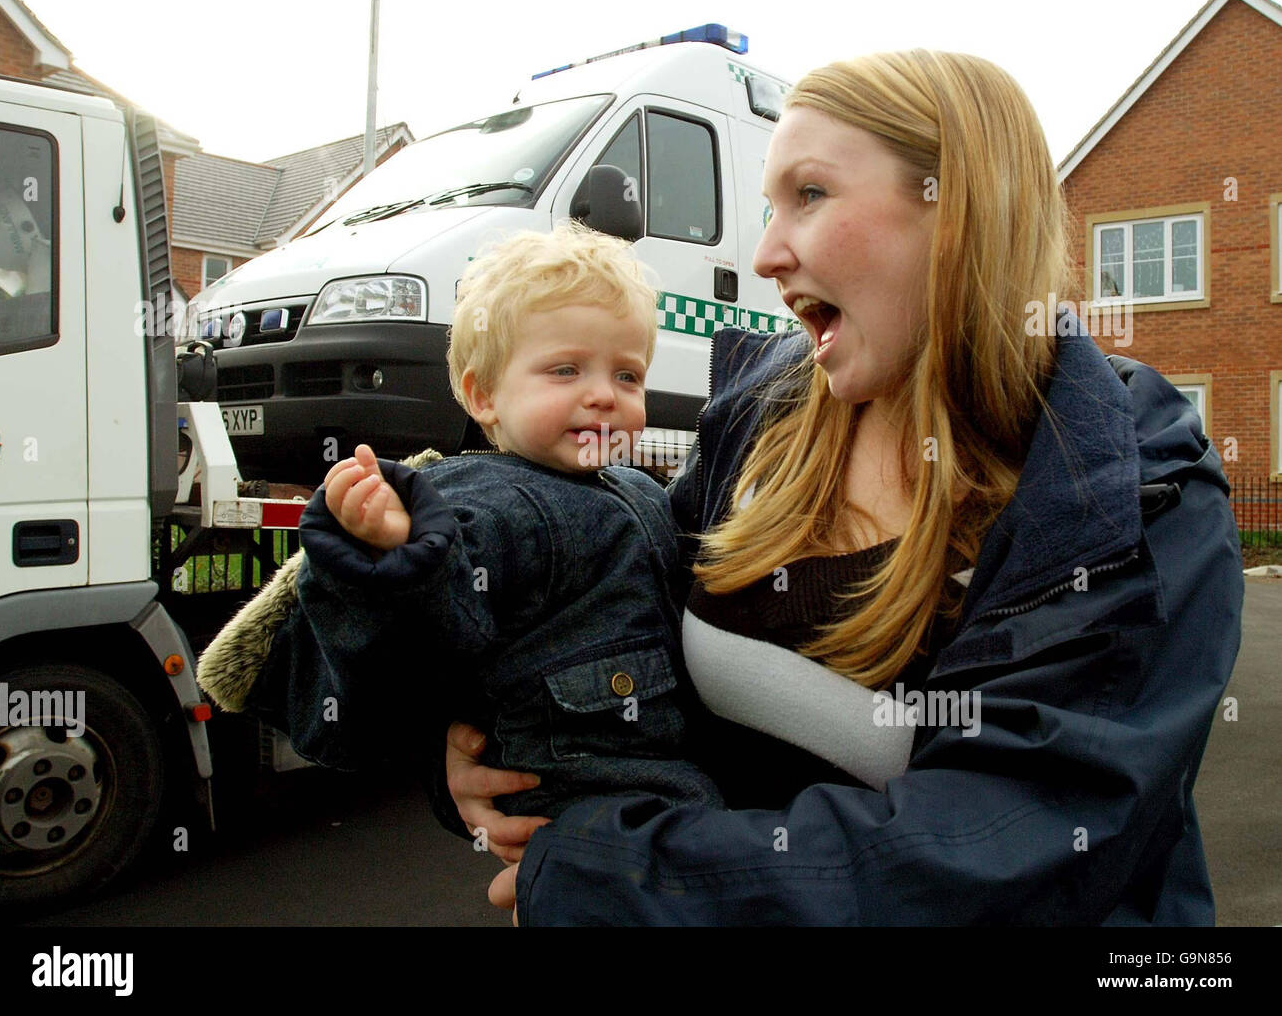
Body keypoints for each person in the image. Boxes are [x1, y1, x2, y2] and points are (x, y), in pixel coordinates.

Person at [441, 49, 1244, 925]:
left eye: (810, 196)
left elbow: (1004, 849)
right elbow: (613, 622)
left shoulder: (1135, 482)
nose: (765, 254)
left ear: (956, 209)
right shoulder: (759, 413)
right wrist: (487, 742)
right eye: (768, 207)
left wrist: (628, 882)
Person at [231, 222, 726, 817]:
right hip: (575, 786)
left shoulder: (641, 490)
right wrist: (396, 548)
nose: (603, 395)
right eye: (566, 370)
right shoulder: (481, 498)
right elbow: (425, 639)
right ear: (483, 394)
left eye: (627, 375)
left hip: (665, 759)